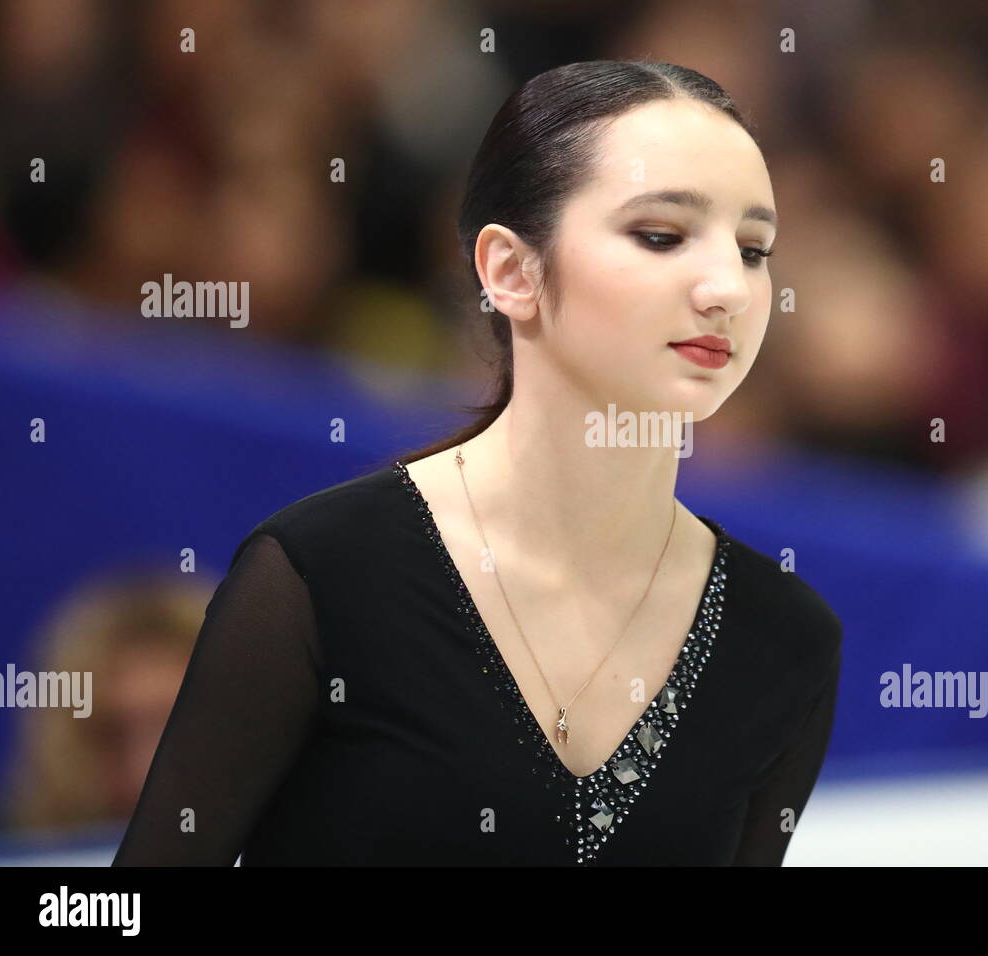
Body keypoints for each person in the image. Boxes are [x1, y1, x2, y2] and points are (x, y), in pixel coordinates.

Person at [112, 60, 842, 867]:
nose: (727, 289)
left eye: (753, 248)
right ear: (510, 271)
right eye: (662, 235)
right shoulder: (327, 574)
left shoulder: (783, 639)